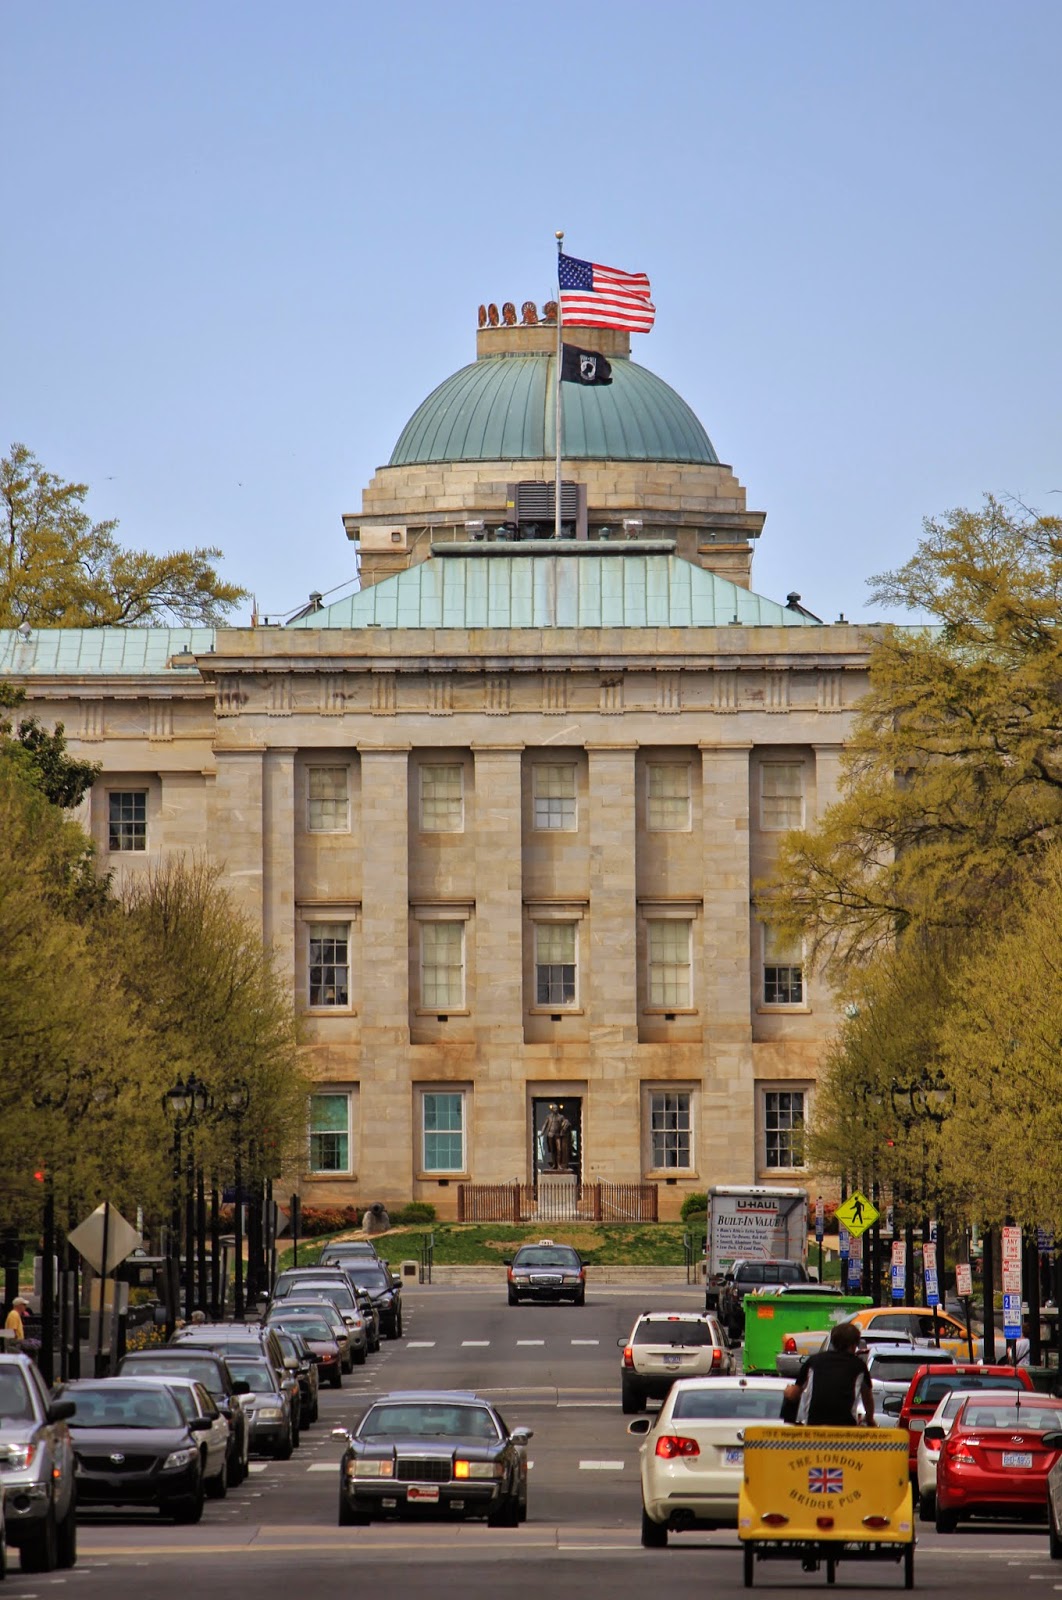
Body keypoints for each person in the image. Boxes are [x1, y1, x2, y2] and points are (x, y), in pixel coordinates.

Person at [786, 1320, 875, 1427]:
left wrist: (788, 1391)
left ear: (833, 1341)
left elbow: (794, 1395)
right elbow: (868, 1399)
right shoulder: (859, 1366)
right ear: (854, 1345)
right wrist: (869, 1419)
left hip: (814, 1426)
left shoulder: (814, 1361)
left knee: (789, 1392)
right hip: (845, 1429)